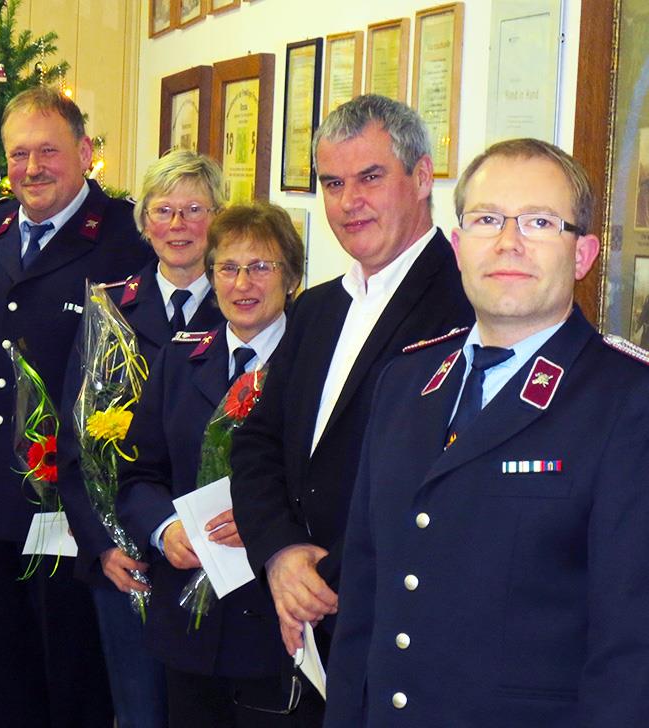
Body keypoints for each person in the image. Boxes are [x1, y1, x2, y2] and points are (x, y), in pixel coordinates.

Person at [324, 138, 649, 726]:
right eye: (486, 219)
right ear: (456, 245)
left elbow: (631, 647)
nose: (508, 242)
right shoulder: (405, 382)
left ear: (582, 255)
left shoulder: (627, 401)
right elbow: (366, 601)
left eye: (540, 222)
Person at [229, 94, 474, 721]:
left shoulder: (467, 307)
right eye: (333, 184)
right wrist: (281, 554)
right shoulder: (316, 309)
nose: (348, 202)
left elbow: (441, 484)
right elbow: (257, 442)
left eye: (370, 178)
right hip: (305, 625)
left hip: (399, 628)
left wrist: (322, 581)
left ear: (422, 178)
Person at [0, 86, 153, 727]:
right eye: (18, 154)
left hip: (76, 506)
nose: (32, 168)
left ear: (84, 152)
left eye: (48, 150)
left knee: (73, 681)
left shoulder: (128, 237)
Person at [117, 202, 305, 727]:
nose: (243, 283)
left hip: (275, 622)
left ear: (290, 276)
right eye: (227, 267)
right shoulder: (181, 358)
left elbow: (333, 486)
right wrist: (164, 528)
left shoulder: (311, 363)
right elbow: (138, 474)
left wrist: (267, 522)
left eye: (261, 267)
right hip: (189, 625)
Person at [57, 149, 227, 728]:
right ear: (144, 222)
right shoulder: (109, 308)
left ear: (219, 218)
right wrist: (105, 544)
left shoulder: (246, 309)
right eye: (163, 210)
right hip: (126, 559)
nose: (177, 226)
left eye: (194, 209)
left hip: (215, 557)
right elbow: (75, 441)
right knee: (138, 713)